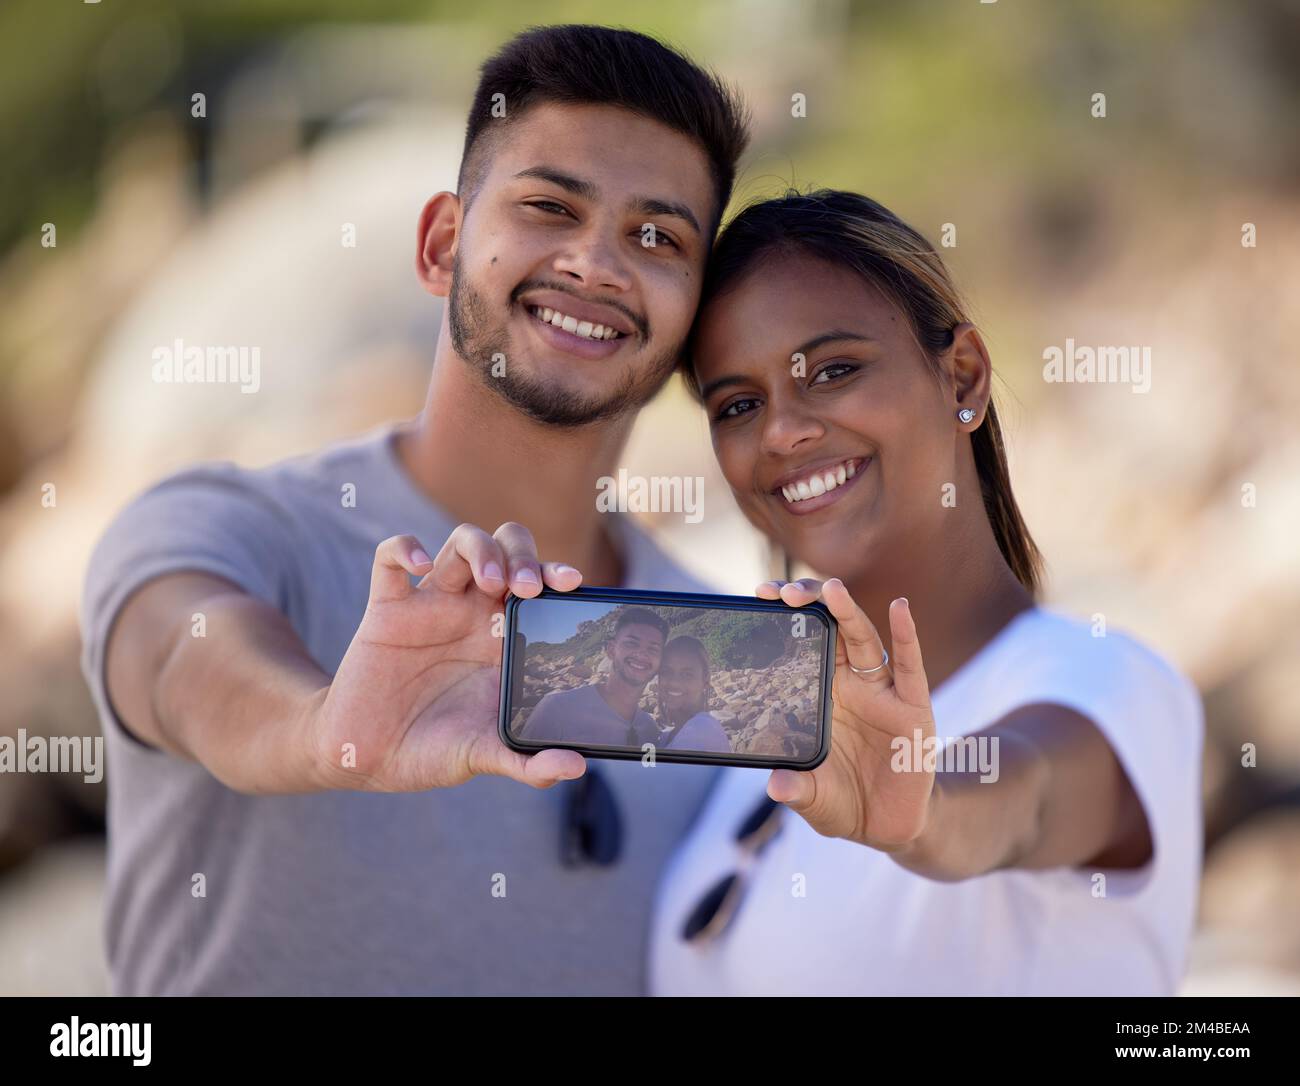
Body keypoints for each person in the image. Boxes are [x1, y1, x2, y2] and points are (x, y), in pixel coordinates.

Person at [79, 24, 749, 995]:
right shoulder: (235, 528)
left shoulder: (710, 651)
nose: (597, 263)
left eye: (657, 237)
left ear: (694, 308)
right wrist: (323, 731)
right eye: (550, 206)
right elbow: (184, 656)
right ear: (442, 244)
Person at [643, 190, 1204, 995]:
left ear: (963, 378)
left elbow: (1025, 800)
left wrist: (924, 812)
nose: (781, 432)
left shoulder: (1107, 683)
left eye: (834, 370)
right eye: (739, 404)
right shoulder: (760, 740)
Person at [518, 608, 667, 747]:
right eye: (631, 643)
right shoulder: (557, 709)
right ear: (611, 650)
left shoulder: (649, 729)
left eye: (653, 649)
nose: (641, 654)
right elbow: (523, 771)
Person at [654, 636, 732, 754]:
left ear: (705, 681)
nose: (675, 682)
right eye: (666, 671)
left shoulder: (702, 730)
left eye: (687, 674)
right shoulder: (668, 734)